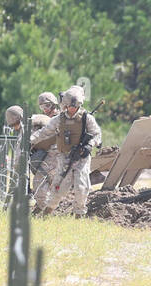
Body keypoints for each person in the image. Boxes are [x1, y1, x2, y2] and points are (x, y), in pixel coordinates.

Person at [31, 85, 101, 217]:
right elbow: (44, 132)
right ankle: (48, 211)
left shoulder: (87, 119)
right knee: (59, 188)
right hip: (64, 157)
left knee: (81, 186)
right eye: (70, 106)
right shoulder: (59, 119)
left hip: (82, 158)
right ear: (65, 105)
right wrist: (31, 139)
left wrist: (89, 145)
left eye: (75, 106)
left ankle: (79, 214)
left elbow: (97, 135)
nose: (73, 109)